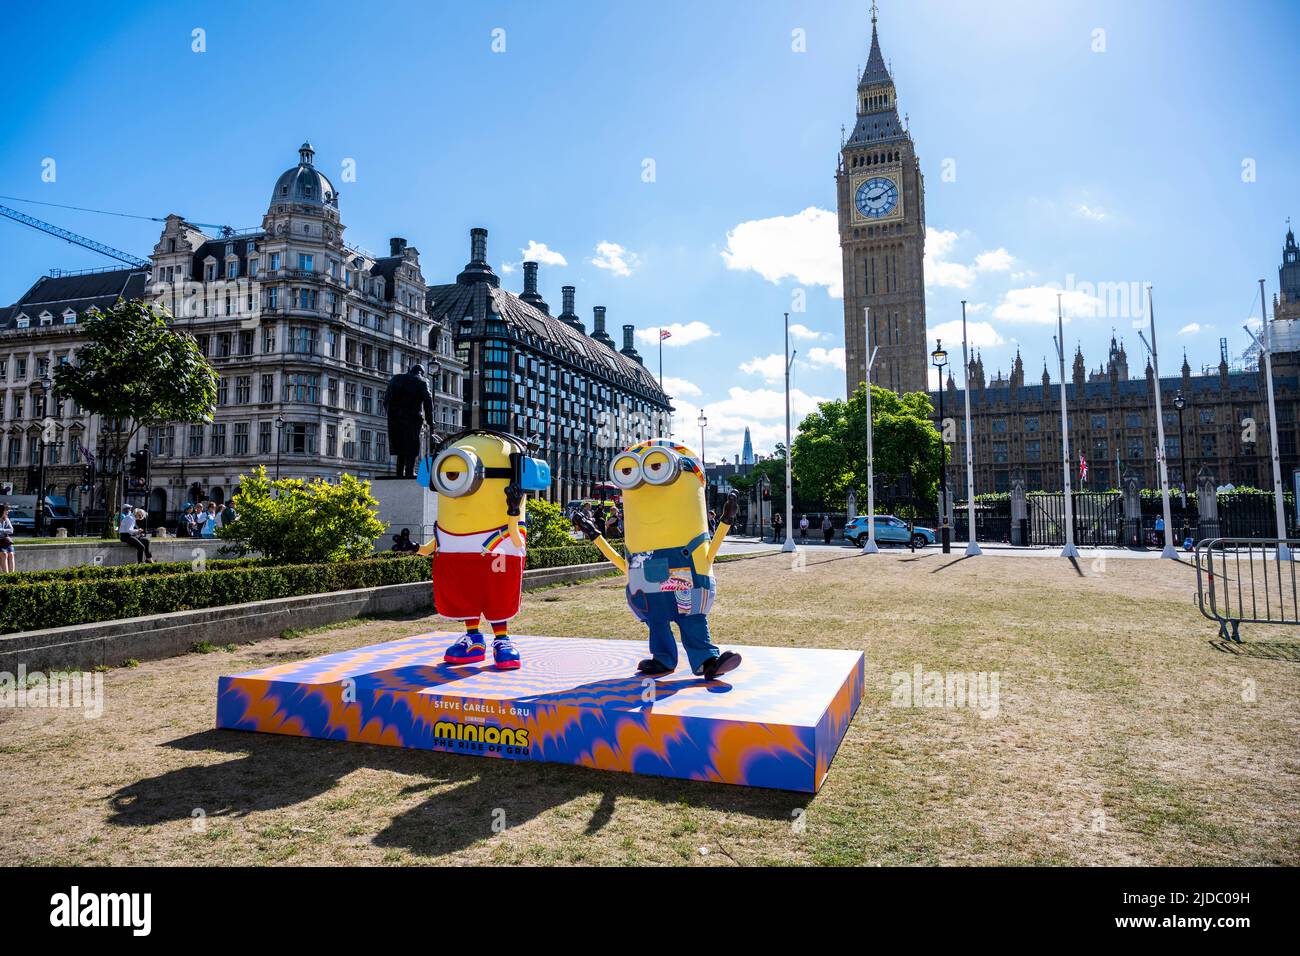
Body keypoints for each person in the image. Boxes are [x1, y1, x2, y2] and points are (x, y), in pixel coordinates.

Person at [0, 504, 14, 573]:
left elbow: (11, 530)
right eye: (7, 510)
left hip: (6, 540)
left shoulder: (6, 519)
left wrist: (2, 530)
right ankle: (6, 575)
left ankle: (12, 575)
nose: (8, 512)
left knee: (11, 554)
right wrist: (5, 530)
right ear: (2, 511)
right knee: (4, 554)